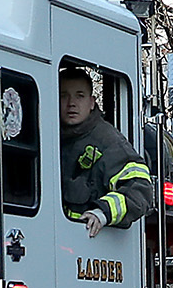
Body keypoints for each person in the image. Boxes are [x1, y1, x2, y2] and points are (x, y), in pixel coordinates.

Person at [59, 67, 153, 235]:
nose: (71, 103)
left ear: (92, 102)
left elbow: (139, 190)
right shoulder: (46, 136)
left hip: (87, 244)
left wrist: (102, 212)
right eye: (63, 96)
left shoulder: (108, 142)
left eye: (79, 96)